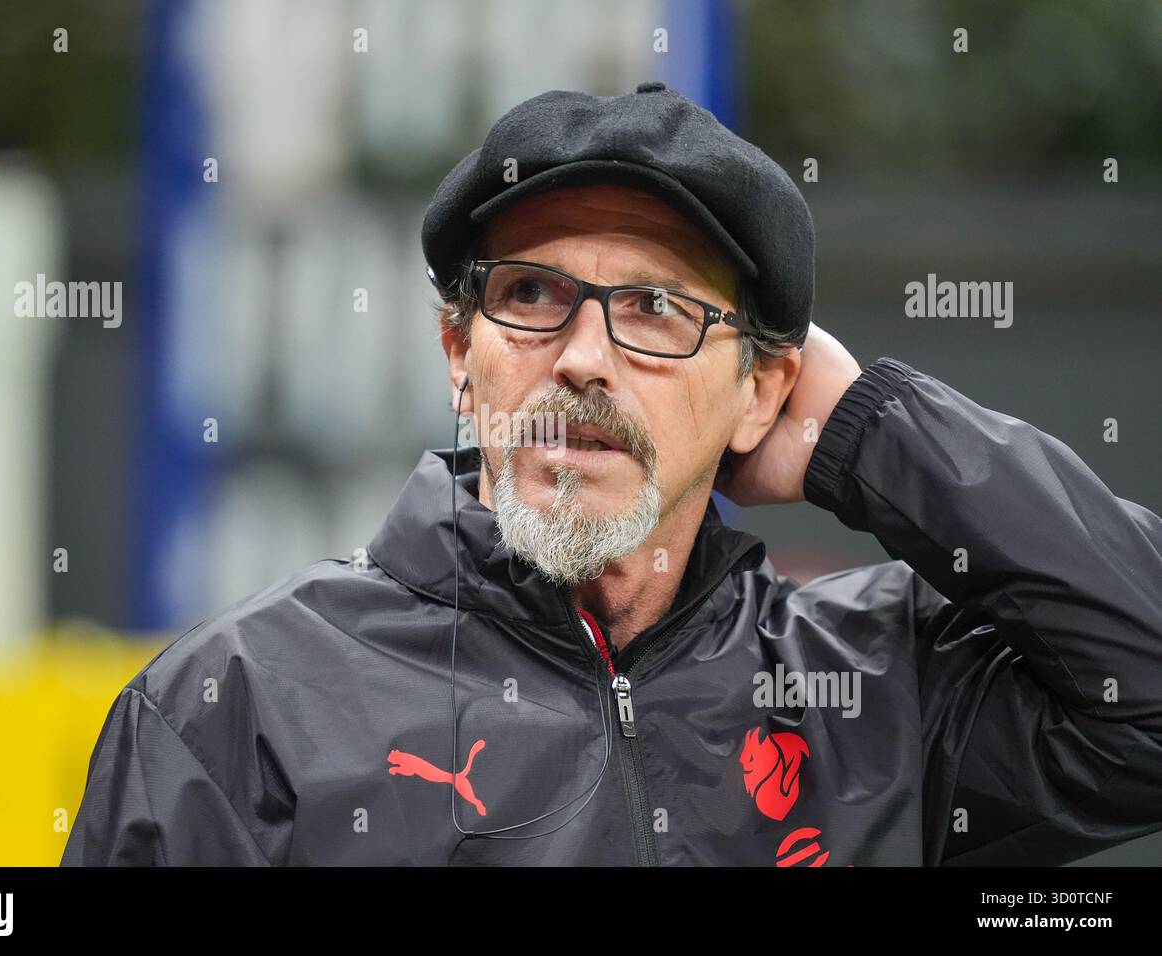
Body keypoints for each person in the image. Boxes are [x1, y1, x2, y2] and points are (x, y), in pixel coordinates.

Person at [61, 82, 1162, 866]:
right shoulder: (237, 704)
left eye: (655, 309)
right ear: (462, 356)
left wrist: (865, 431)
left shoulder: (873, 692)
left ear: (763, 391)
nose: (581, 356)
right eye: (532, 295)